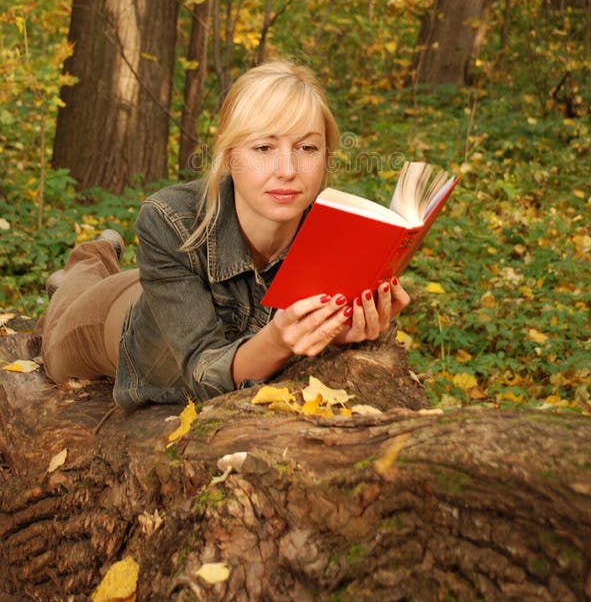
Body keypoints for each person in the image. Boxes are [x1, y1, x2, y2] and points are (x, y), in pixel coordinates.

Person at [41, 59, 410, 408]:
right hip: (113, 321)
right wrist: (279, 340)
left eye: (307, 147)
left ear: (326, 156)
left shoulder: (340, 234)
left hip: (172, 287)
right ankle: (88, 260)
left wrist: (341, 333)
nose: (287, 169)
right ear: (230, 156)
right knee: (56, 348)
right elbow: (202, 371)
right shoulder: (171, 220)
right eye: (264, 147)